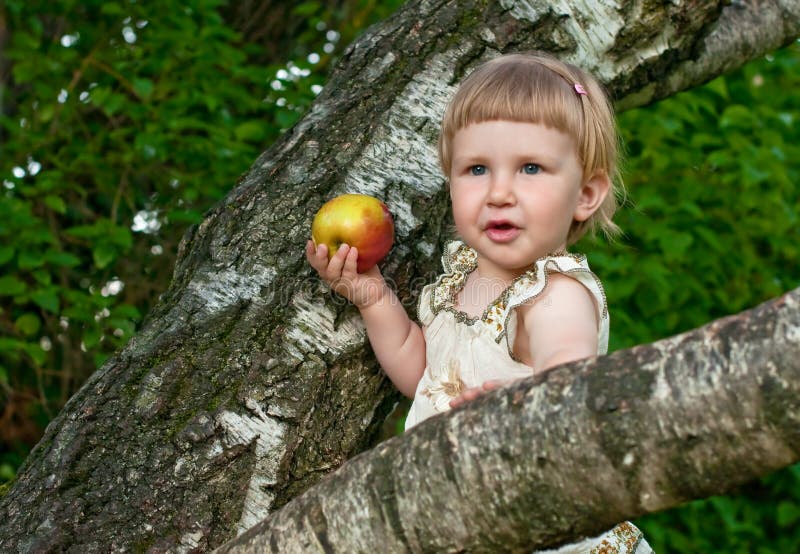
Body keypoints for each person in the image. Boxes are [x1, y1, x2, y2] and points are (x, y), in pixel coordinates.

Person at [306, 52, 652, 553]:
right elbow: (424, 375)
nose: (499, 192)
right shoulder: (460, 283)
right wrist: (372, 295)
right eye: (476, 169)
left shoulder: (555, 295)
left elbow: (570, 382)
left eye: (530, 168)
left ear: (586, 193)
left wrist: (517, 405)